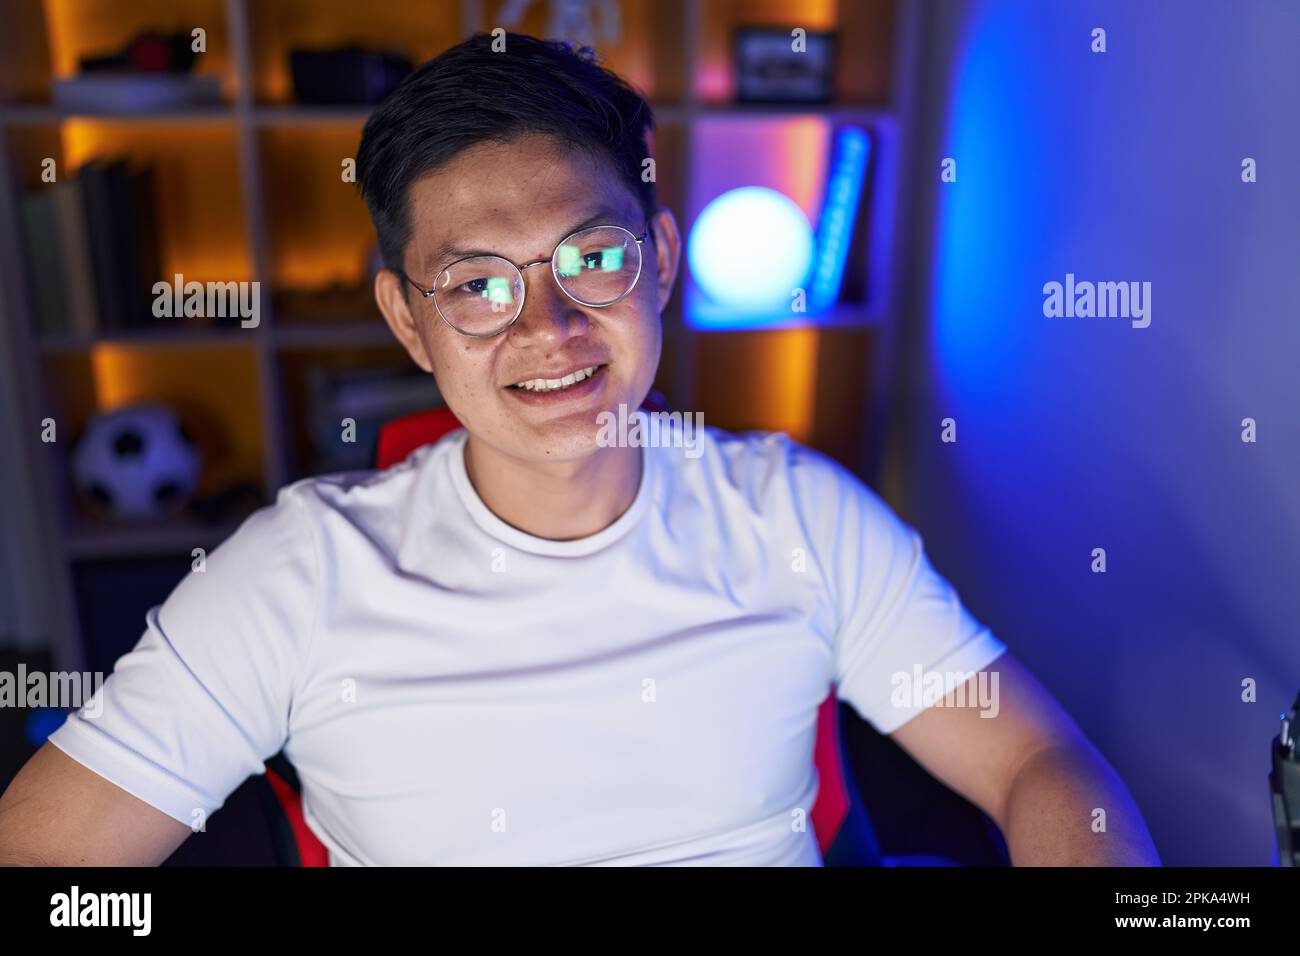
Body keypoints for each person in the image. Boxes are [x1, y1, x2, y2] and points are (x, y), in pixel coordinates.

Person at [0, 33, 1158, 866]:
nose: (547, 329)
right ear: (408, 318)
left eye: (589, 260)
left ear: (658, 256)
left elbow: (1038, 766)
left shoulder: (797, 513)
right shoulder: (294, 574)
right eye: (476, 285)